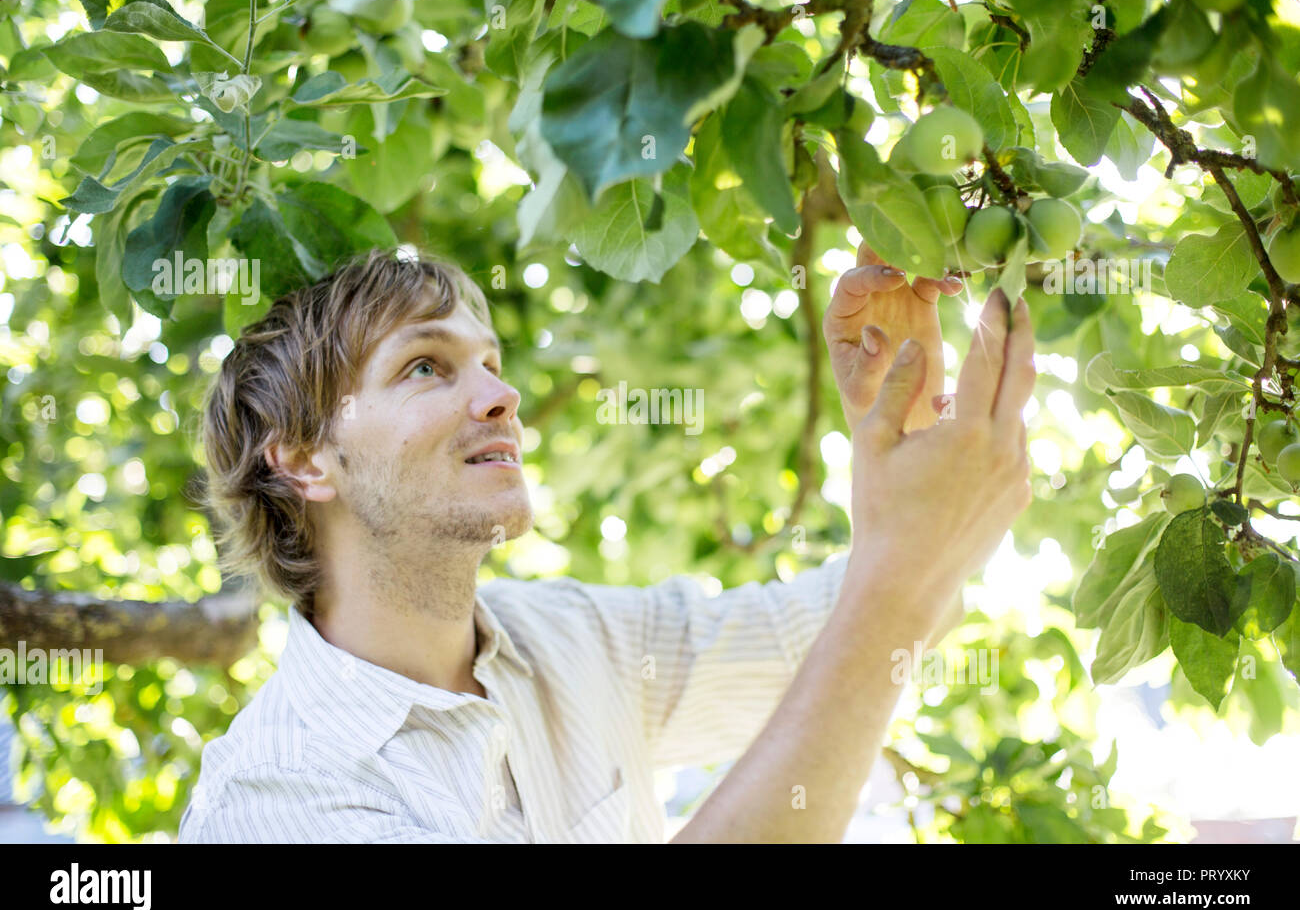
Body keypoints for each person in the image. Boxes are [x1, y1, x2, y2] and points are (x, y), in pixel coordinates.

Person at [178, 243, 1034, 843]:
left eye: (489, 362)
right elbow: (888, 603)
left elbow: (868, 626)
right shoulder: (271, 800)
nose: (500, 394)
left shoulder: (573, 636)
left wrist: (908, 444)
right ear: (302, 460)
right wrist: (900, 567)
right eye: (425, 367)